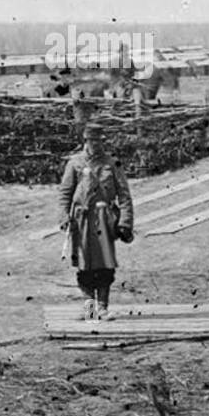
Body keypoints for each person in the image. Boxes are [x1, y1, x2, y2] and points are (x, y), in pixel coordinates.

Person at [58, 122, 134, 321]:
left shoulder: (112, 163)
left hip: (103, 220)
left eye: (100, 140)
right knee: (84, 266)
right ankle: (89, 309)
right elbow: (65, 194)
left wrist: (124, 223)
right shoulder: (74, 163)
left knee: (105, 265)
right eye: (92, 140)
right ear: (86, 141)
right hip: (81, 221)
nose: (96, 144)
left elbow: (124, 196)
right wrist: (64, 217)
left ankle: (103, 308)